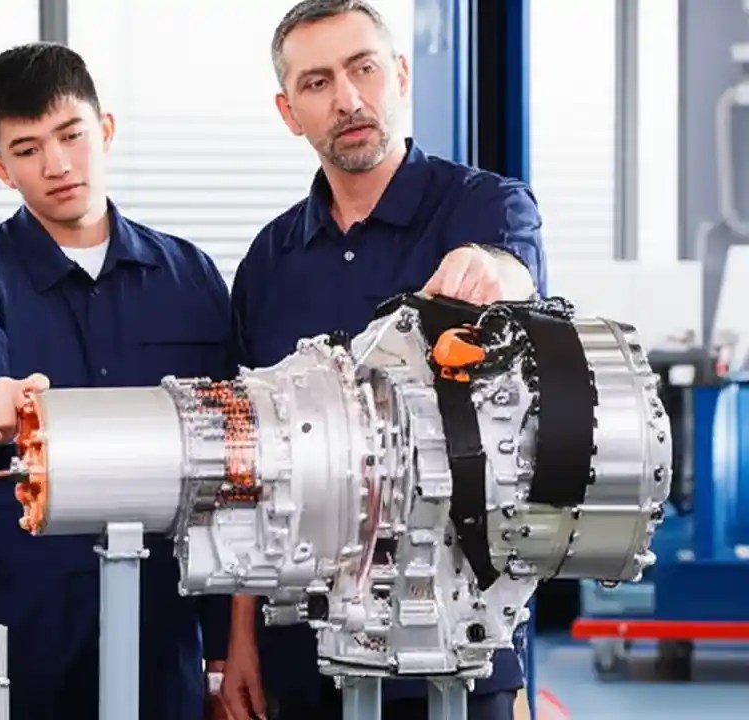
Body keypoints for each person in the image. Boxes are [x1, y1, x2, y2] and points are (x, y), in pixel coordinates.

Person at [216, 2, 547, 720]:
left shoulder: (483, 209)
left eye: (362, 68)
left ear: (399, 75)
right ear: (289, 111)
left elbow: (514, 272)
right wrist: (240, 638)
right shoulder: (269, 263)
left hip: (457, 645)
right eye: (317, 82)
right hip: (303, 647)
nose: (347, 99)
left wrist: (491, 270)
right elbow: (249, 457)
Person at [0, 43, 232, 720]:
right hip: (14, 629)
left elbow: (231, 457)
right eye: (28, 149)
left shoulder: (189, 276)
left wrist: (224, 647)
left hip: (159, 627)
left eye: (71, 135)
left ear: (106, 129)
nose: (57, 165)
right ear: (1, 169)